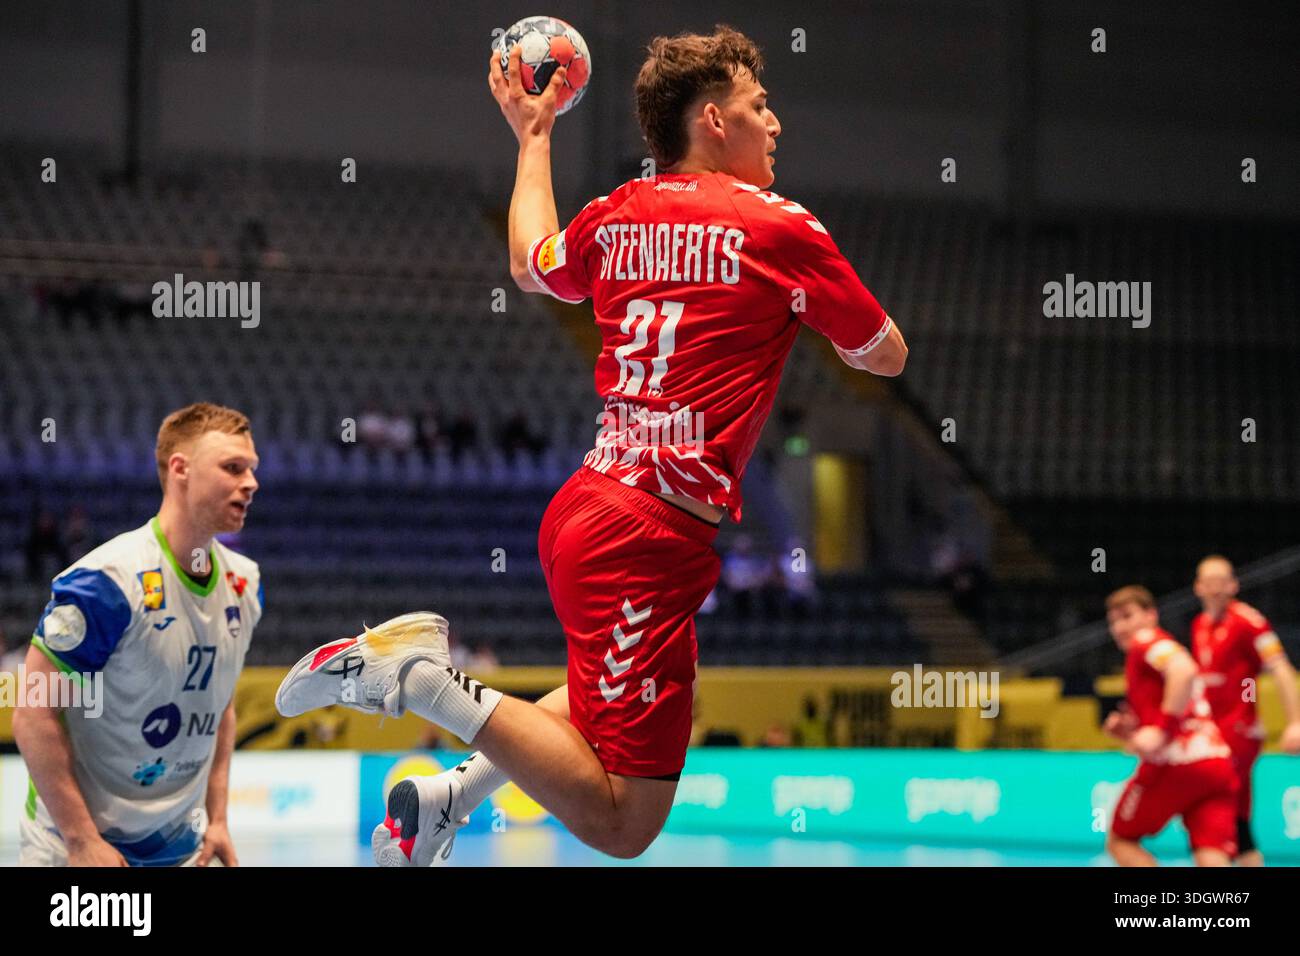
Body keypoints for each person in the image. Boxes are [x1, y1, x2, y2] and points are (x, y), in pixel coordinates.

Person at [277, 25, 906, 864]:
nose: (777, 124)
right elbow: (885, 354)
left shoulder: (616, 212)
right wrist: (805, 305)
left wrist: (534, 135)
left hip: (597, 508)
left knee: (591, 694)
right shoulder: (782, 227)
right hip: (646, 534)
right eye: (761, 106)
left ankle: (449, 796)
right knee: (624, 823)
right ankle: (415, 679)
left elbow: (531, 262)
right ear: (713, 120)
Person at [13, 403, 263, 866]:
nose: (251, 483)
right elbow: (33, 713)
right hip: (75, 847)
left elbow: (220, 704)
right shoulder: (106, 582)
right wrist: (82, 840)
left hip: (178, 847)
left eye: (251, 469)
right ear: (180, 469)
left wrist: (219, 818)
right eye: (233, 468)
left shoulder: (245, 584)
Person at [1102, 586, 1238, 867]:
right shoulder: (1148, 661)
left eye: (1127, 616)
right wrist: (1129, 731)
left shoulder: (1146, 641)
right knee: (1211, 851)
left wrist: (1161, 729)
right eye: (1113, 621)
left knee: (1121, 840)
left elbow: (1183, 669)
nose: (1119, 627)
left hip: (1176, 765)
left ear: (1151, 615)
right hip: (1215, 763)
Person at [1190, 555, 1300, 866]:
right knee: (1234, 817)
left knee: (1217, 812)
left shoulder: (1249, 622)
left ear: (1234, 585)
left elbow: (1280, 668)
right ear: (1198, 587)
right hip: (1210, 735)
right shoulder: (1199, 626)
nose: (1215, 588)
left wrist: (1295, 723)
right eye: (1208, 582)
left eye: (1222, 581)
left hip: (1239, 733)